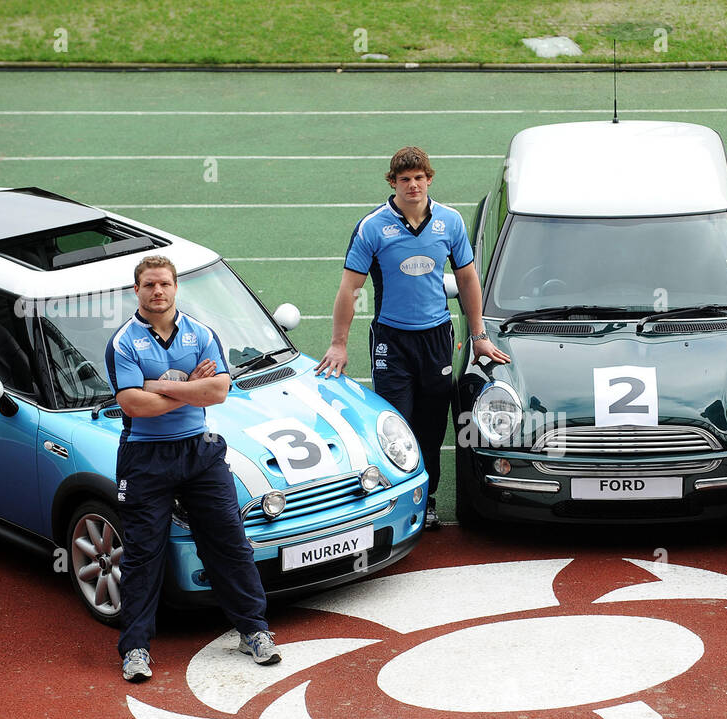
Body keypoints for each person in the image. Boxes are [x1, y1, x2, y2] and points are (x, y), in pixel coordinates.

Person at [105, 255, 280, 681]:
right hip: (145, 458)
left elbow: (219, 391)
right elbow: (132, 405)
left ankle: (253, 631)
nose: (157, 291)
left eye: (164, 283)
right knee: (144, 554)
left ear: (175, 287)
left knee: (229, 542)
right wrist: (190, 387)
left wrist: (161, 385)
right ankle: (136, 649)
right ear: (137, 291)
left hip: (199, 453)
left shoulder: (201, 333)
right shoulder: (124, 342)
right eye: (148, 285)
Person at [315, 146, 509, 529]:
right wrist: (338, 342)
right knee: (393, 422)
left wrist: (480, 335)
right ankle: (397, 499)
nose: (413, 185)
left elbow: (468, 278)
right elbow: (349, 289)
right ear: (393, 182)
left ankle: (429, 497)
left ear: (429, 179)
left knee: (433, 426)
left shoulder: (449, 222)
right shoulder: (372, 227)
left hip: (436, 337)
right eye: (405, 179)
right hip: (392, 341)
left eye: (419, 178)